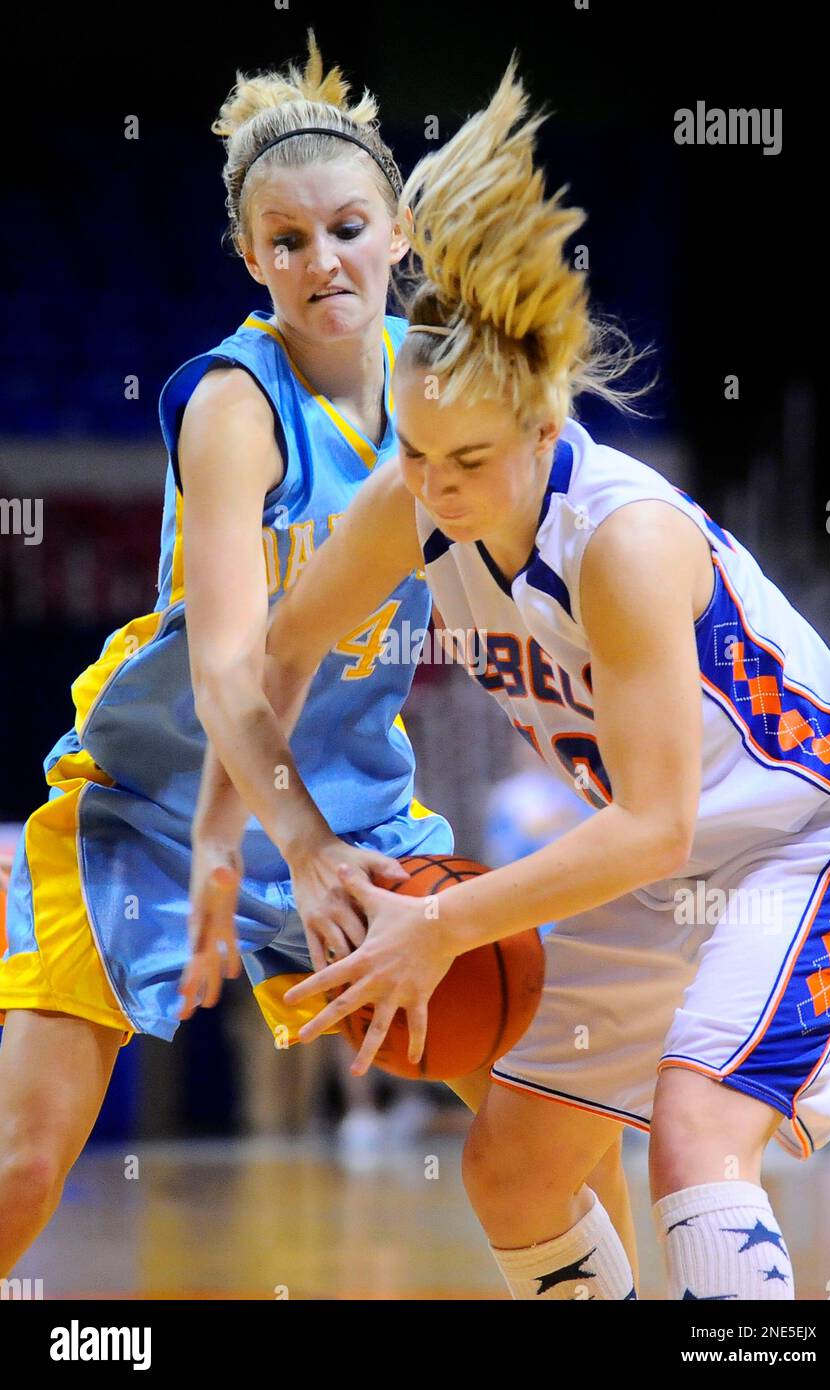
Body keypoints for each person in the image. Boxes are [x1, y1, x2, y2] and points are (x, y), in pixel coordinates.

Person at [209, 61, 830, 1301]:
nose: (436, 484)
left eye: (467, 458)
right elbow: (264, 662)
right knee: (511, 1169)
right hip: (659, 867)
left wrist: (446, 921)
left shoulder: (619, 541)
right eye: (412, 451)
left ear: (539, 429)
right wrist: (292, 844)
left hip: (810, 833)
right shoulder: (412, 504)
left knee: (690, 1140)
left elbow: (655, 817)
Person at [0, 37, 636, 1283]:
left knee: (548, 1106)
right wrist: (284, 842)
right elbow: (230, 674)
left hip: (355, 814)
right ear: (250, 258)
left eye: (347, 228)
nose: (320, 261)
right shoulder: (235, 403)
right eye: (285, 242)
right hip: (147, 804)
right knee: (26, 1157)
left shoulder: (438, 388)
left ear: (398, 231)